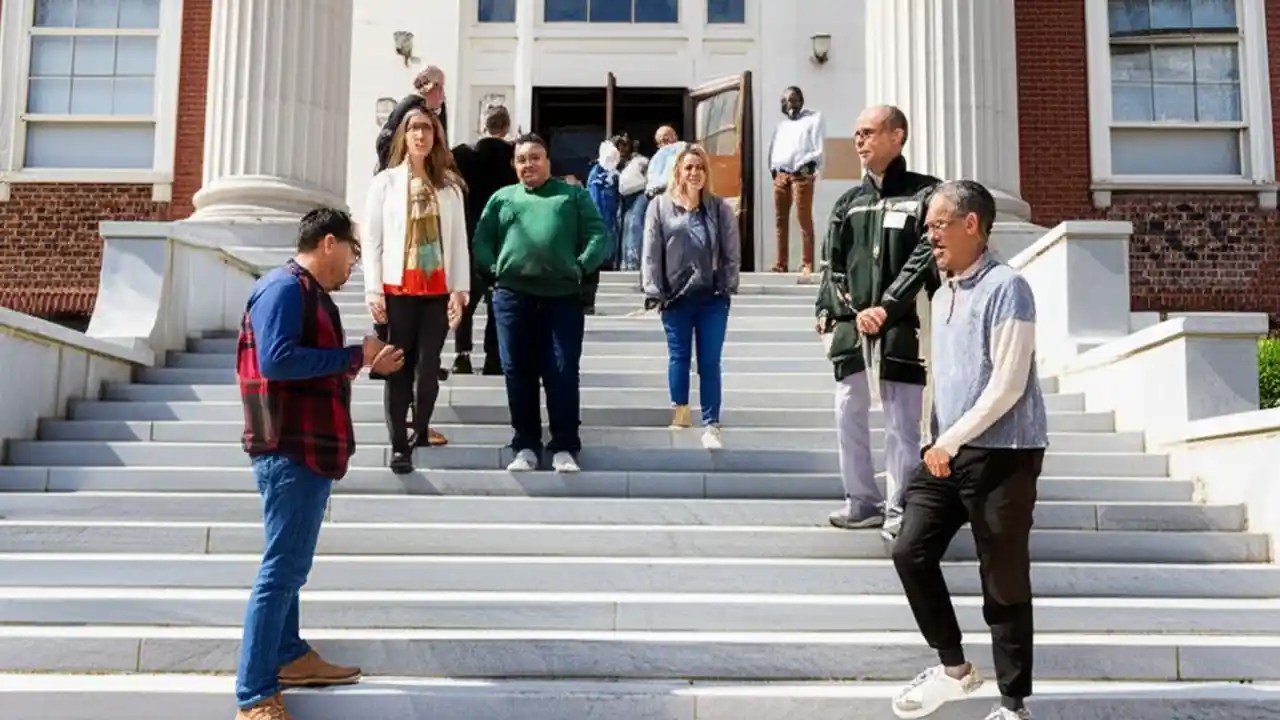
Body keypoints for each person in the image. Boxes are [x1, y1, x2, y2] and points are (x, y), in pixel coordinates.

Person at [234, 208, 404, 720]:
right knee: (281, 570)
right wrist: (355, 356)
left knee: (289, 567)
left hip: (302, 445)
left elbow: (299, 364)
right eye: (352, 250)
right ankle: (255, 694)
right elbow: (278, 360)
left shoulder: (305, 293)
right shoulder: (286, 288)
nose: (354, 262)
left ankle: (289, 655)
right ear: (329, 242)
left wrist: (361, 362)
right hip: (289, 447)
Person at [889, 180, 1047, 720]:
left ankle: (1012, 704)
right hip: (948, 452)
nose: (929, 236)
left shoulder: (1009, 287)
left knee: (1001, 574)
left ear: (971, 225)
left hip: (1005, 451)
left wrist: (950, 439)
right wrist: (937, 437)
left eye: (937, 225)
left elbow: (1007, 383)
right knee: (910, 550)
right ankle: (955, 671)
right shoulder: (944, 289)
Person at [815, 105, 940, 535]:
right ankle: (861, 501)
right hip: (854, 327)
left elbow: (926, 255)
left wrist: (888, 305)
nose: (859, 141)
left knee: (902, 423)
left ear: (897, 136)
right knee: (848, 411)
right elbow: (830, 264)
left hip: (904, 326)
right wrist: (831, 309)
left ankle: (900, 509)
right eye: (856, 134)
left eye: (868, 132)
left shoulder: (927, 195)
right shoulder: (848, 203)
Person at [472, 134, 611, 474]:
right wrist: (494, 269)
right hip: (512, 296)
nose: (528, 164)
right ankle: (526, 444)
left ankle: (564, 444)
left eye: (535, 157)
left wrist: (580, 266)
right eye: (522, 159)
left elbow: (599, 235)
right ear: (513, 164)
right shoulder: (502, 198)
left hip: (562, 297)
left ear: (548, 161)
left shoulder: (572, 196)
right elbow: (481, 240)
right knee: (516, 370)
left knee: (562, 369)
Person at [364, 108, 471, 474]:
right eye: (414, 129)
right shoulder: (385, 184)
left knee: (427, 369)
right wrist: (373, 290)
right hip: (397, 290)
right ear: (404, 136)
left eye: (427, 128)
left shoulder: (450, 187)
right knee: (397, 369)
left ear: (436, 136)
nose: (420, 135)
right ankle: (399, 447)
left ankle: (421, 428)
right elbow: (373, 240)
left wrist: (460, 290)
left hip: (436, 292)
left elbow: (459, 242)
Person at [642, 144, 740, 450]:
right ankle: (681, 410)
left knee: (710, 361)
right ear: (678, 173)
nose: (695, 173)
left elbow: (732, 251)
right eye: (689, 168)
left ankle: (711, 420)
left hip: (711, 297)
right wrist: (654, 290)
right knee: (679, 356)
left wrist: (727, 285)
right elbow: (650, 252)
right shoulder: (659, 206)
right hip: (676, 297)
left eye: (700, 168)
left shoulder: (719, 208)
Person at [450, 104, 516, 376]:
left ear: (483, 126)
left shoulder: (462, 155)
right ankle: (494, 357)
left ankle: (462, 354)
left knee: (465, 299)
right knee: (496, 300)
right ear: (506, 127)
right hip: (502, 239)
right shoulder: (515, 157)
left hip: (466, 234)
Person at [768, 86, 826, 275]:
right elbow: (774, 148)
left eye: (793, 100)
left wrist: (808, 166)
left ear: (800, 101)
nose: (789, 104)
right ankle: (780, 263)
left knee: (803, 218)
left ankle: (807, 263)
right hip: (781, 175)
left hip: (801, 174)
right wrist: (774, 170)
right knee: (780, 221)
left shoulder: (813, 119)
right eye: (785, 101)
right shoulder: (781, 126)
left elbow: (818, 148)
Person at [622, 125, 683, 272]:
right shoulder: (657, 157)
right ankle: (632, 262)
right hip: (655, 195)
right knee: (633, 217)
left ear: (675, 136)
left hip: (675, 193)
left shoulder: (682, 150)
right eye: (661, 139)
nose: (665, 140)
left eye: (667, 135)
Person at [376, 66, 449, 174]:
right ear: (429, 88)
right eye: (439, 87)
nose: (442, 94)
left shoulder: (439, 109)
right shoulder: (408, 106)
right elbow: (384, 141)